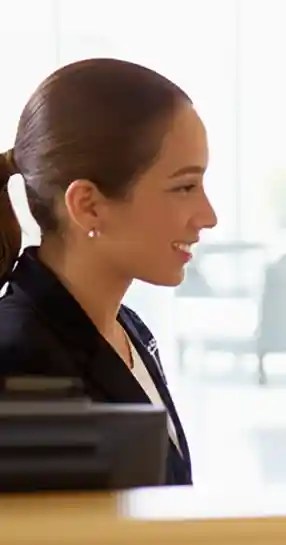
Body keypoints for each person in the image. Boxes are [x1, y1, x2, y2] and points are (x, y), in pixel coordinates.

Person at [0, 58, 218, 486]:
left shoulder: (127, 330)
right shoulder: (20, 362)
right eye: (184, 187)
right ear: (88, 205)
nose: (207, 216)